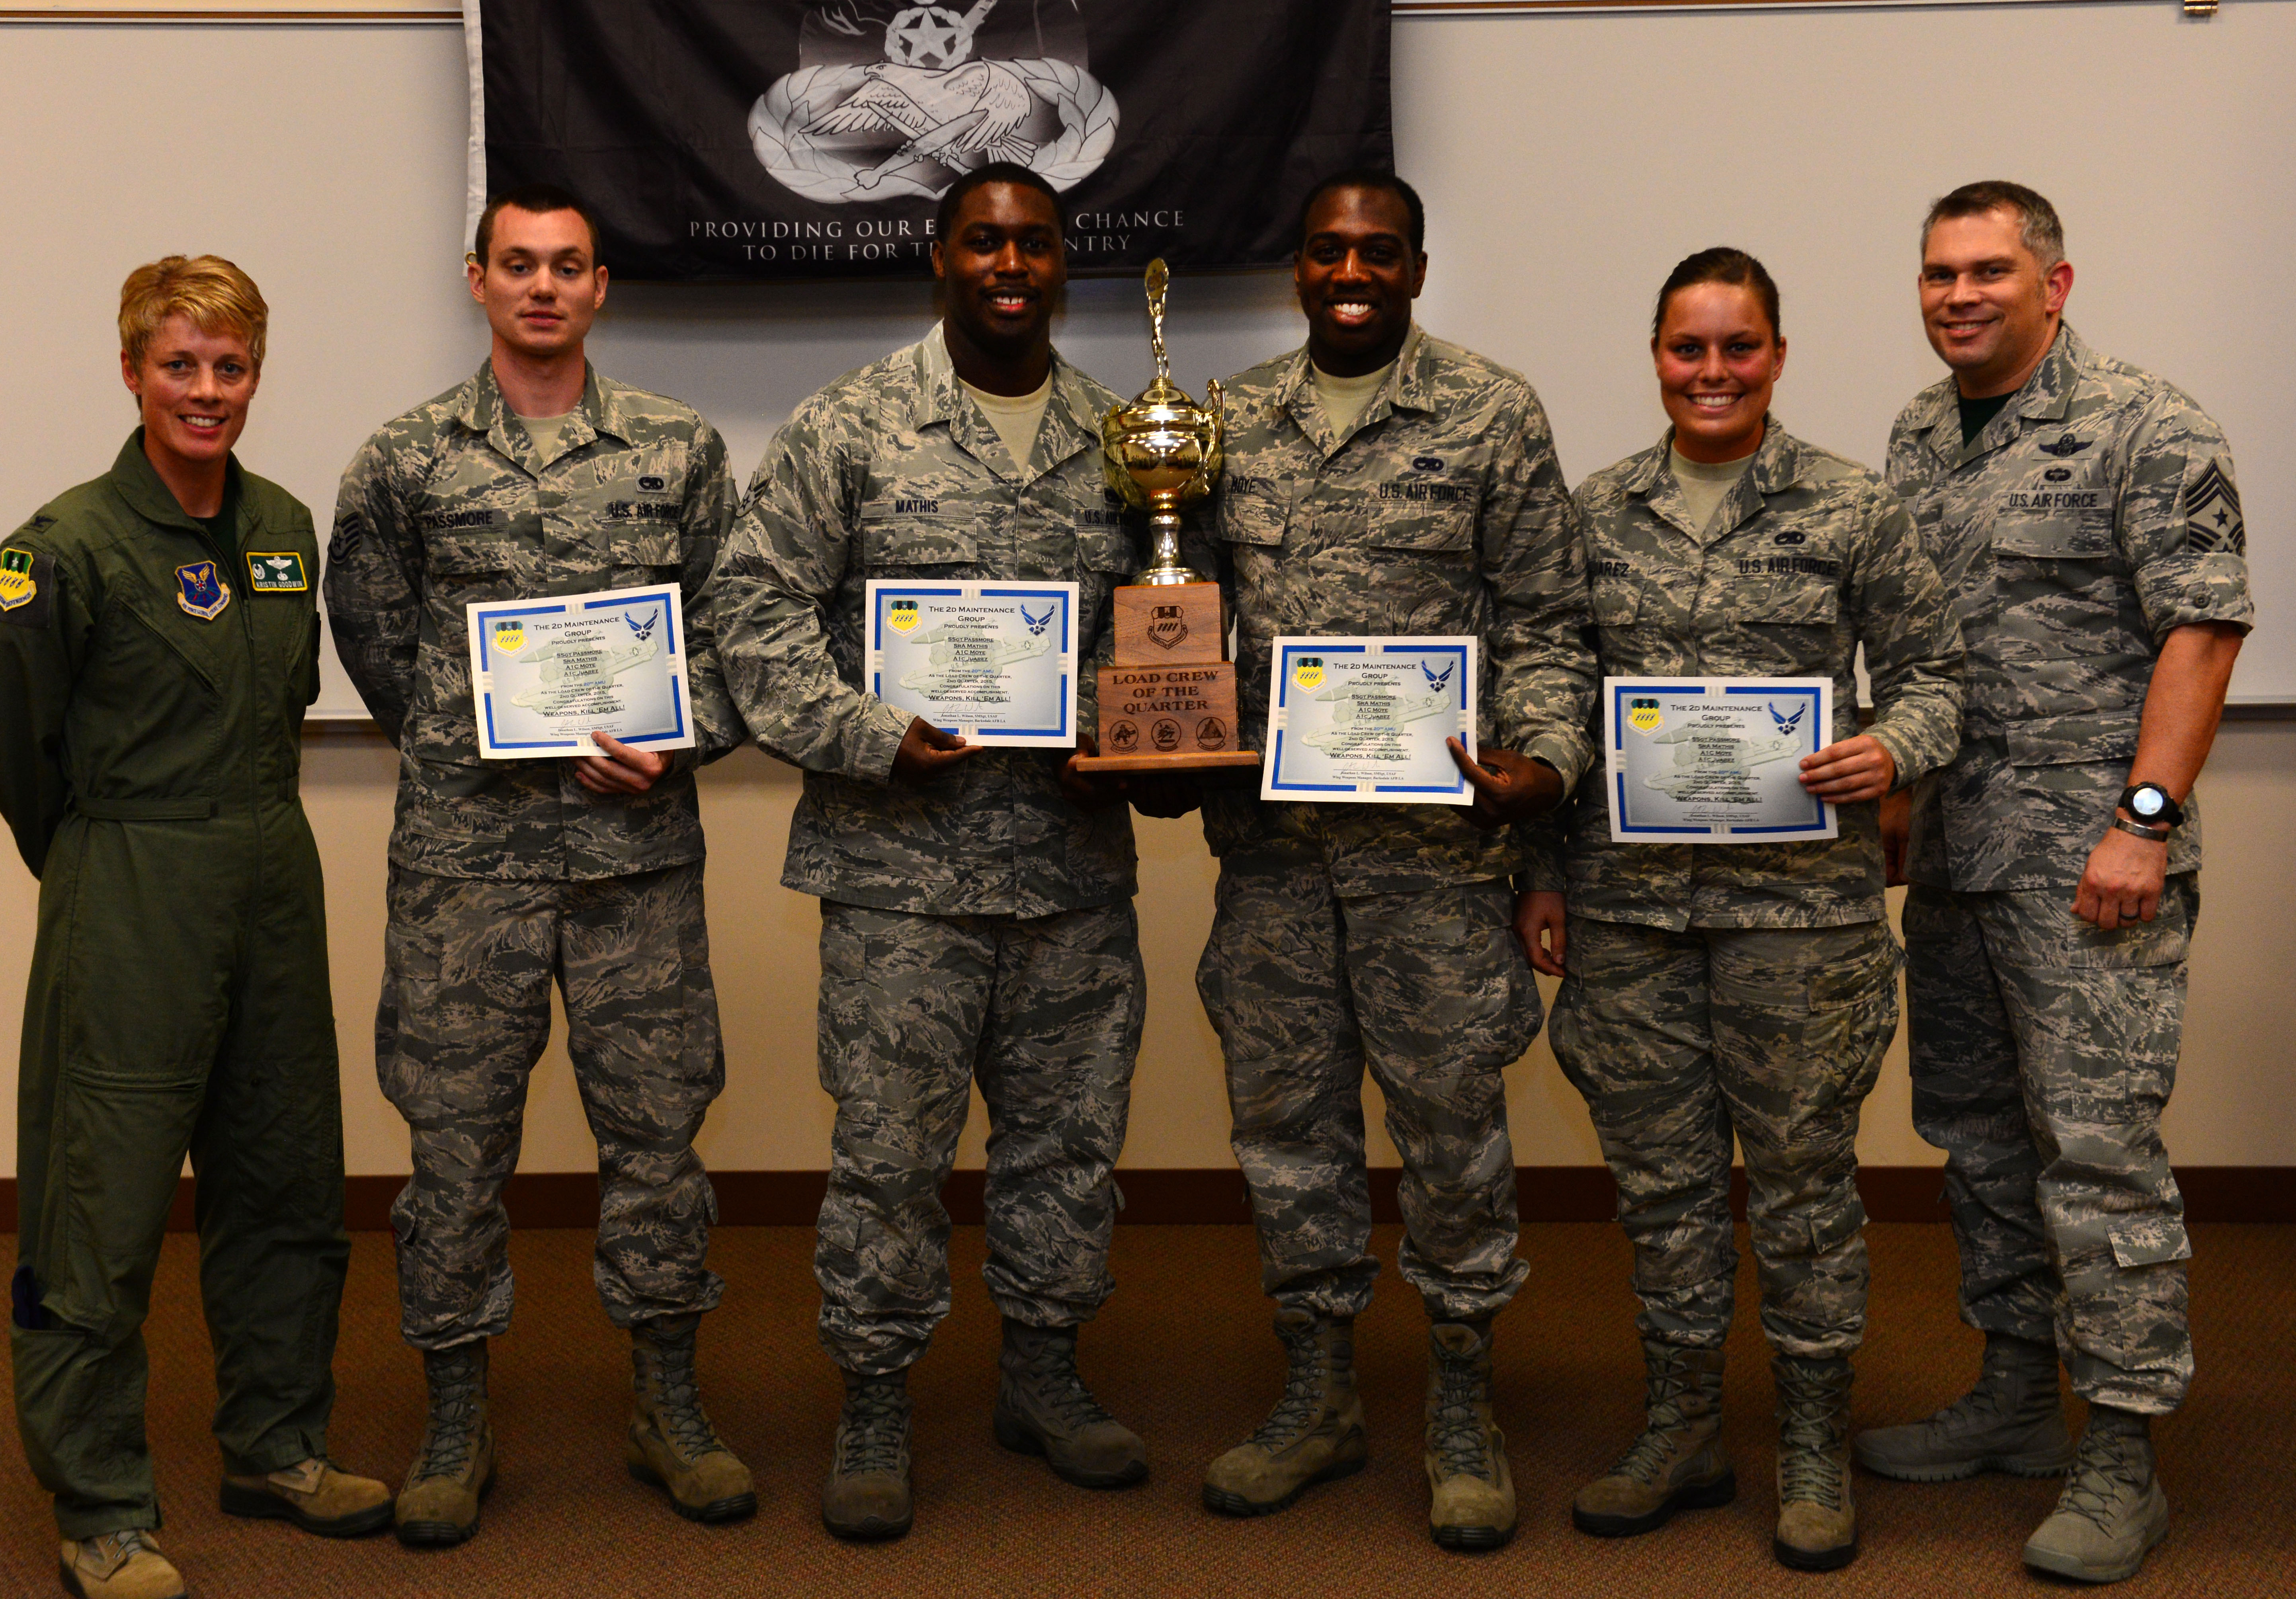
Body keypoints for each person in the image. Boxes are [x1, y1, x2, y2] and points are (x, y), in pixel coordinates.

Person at [713, 162, 1154, 1543]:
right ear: (940, 258)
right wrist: (869, 735)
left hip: (1071, 874)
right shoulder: (850, 425)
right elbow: (754, 612)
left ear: (1064, 263)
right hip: (899, 876)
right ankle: (879, 1392)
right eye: (983, 241)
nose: (1008, 264)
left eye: (1032, 243)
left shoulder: (1130, 439)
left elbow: (1172, 626)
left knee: (1069, 1147)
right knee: (890, 1155)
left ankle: (1043, 1371)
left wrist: (1140, 734)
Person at [1514, 248, 1964, 1572]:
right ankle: (1685, 1424)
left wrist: (1894, 749)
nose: (1713, 374)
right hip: (1631, 918)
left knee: (1805, 1186)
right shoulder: (1591, 514)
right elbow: (1548, 688)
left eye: (1739, 349)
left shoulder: (1852, 508)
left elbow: (1939, 673)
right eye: (1688, 350)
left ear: (1778, 354)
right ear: (1656, 356)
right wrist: (1541, 866)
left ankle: (1813, 1438)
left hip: (1802, 922)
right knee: (1660, 1189)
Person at [0, 256, 391, 1599]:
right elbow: (4, 729)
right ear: (133, 371)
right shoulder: (65, 544)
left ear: (255, 375)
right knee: (104, 1207)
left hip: (271, 872)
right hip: (133, 887)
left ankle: (274, 1447)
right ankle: (98, 1503)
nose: (207, 391)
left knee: (286, 1180)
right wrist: (96, 859)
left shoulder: (280, 526)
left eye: (231, 366)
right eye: (180, 365)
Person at [326, 184, 752, 1546]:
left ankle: (667, 1406)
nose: (544, 287)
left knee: (659, 1143)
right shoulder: (405, 460)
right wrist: (481, 742)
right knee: (453, 1153)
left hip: (635, 865)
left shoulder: (681, 451)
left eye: (568, 266)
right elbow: (379, 642)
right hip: (466, 868)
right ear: (478, 280)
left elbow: (738, 637)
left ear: (602, 285)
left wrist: (669, 737)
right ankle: (456, 1419)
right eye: (519, 265)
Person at [1191, 170, 1598, 1552]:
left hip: (1437, 864)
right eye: (1325, 253)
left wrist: (1542, 768)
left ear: (1418, 268)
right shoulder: (1226, 420)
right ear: (1298, 271)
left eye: (1377, 253)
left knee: (1453, 1142)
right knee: (1285, 1139)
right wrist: (1164, 729)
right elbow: (1177, 603)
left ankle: (1463, 1404)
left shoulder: (1491, 411)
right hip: (1274, 859)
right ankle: (1318, 1395)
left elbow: (1550, 620)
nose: (1350, 272)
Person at [1856, 181, 2250, 1585]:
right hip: (1960, 857)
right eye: (1938, 274)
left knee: (2097, 1151)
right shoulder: (1915, 433)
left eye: (1987, 272)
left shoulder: (2152, 423)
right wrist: (1899, 799)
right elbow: (1918, 643)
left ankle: (2124, 1451)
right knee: (1977, 1135)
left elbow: (2201, 630)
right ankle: (2019, 1397)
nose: (1958, 296)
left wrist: (2144, 818)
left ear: (2055, 284)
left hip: (2090, 864)